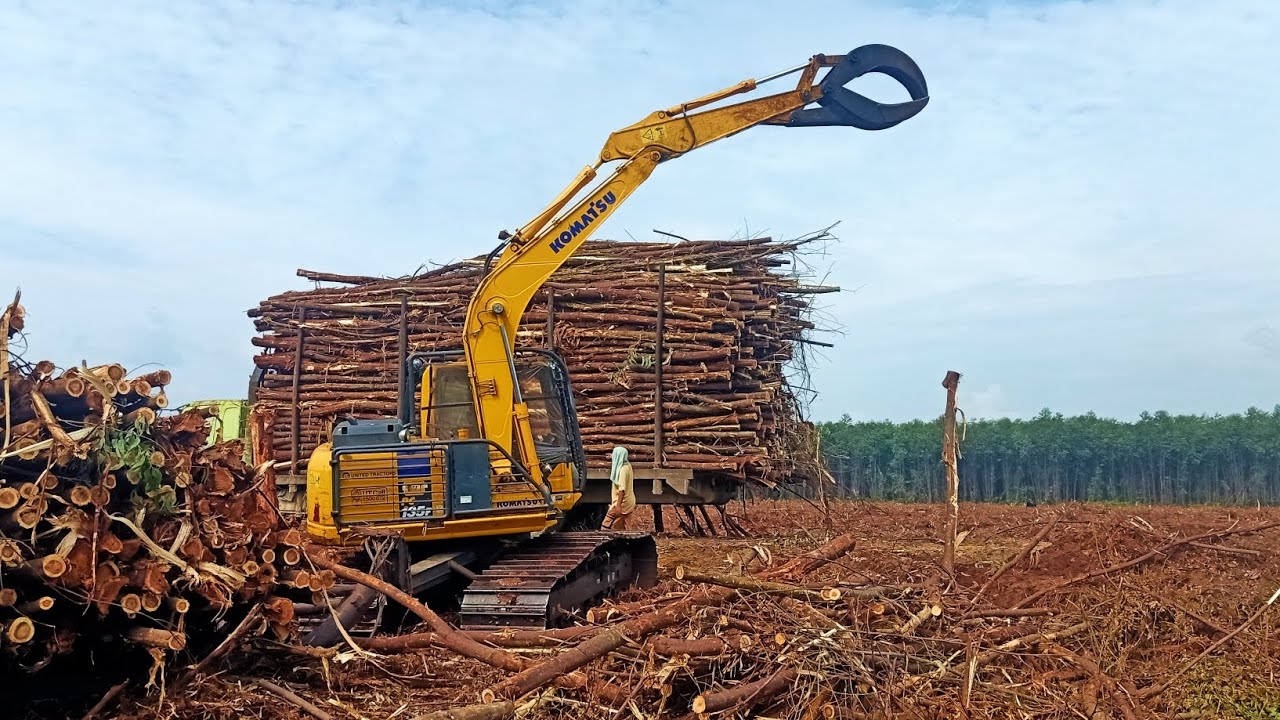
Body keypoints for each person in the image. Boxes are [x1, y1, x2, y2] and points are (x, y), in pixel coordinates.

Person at [600, 446, 637, 531]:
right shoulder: (627, 465)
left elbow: (622, 490)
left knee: (605, 526)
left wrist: (618, 506)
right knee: (625, 527)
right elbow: (619, 457)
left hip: (622, 503)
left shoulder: (622, 470)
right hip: (629, 502)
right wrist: (612, 456)